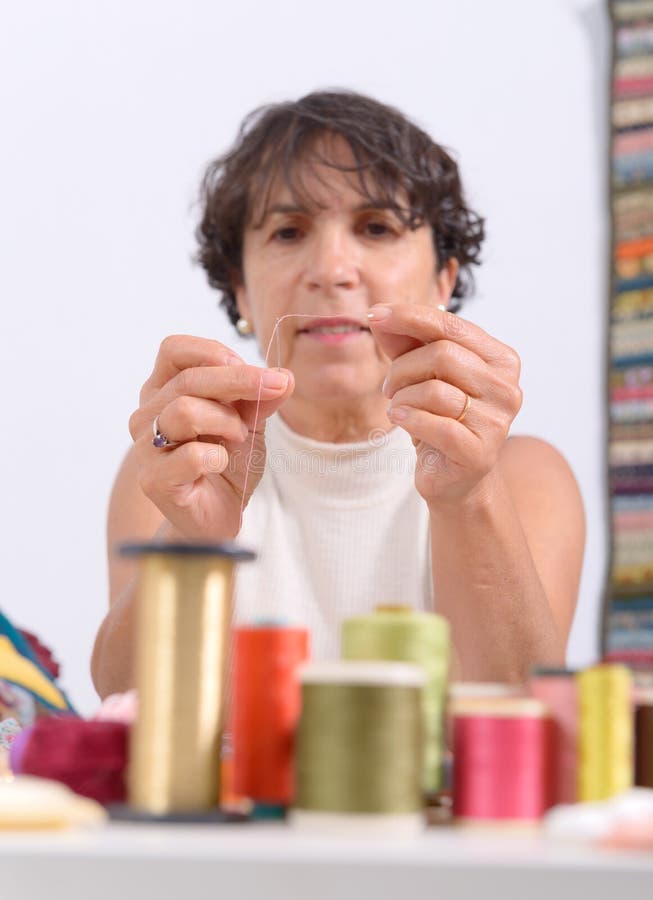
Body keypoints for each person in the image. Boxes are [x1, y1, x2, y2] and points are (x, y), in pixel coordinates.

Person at [91, 90, 585, 699]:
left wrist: (469, 494)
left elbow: (521, 715)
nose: (331, 269)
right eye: (288, 231)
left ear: (444, 279)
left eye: (376, 227)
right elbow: (125, 705)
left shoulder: (523, 473)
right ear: (241, 290)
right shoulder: (182, 463)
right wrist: (195, 540)